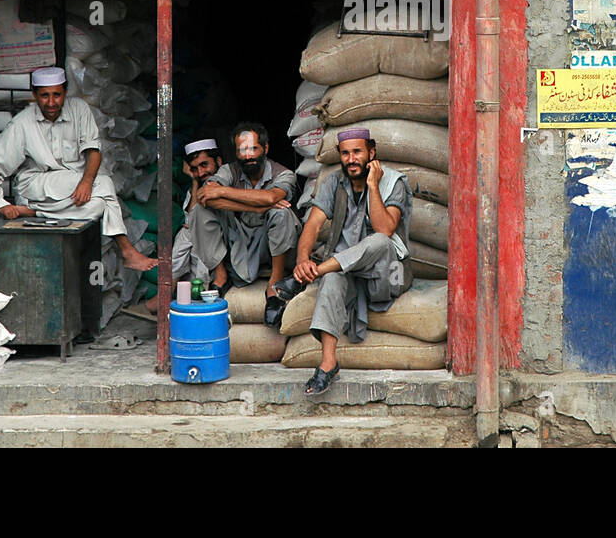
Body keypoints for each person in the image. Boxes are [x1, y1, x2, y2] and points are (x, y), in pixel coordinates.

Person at [273, 128, 413, 396]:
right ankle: (328, 364)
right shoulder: (334, 183)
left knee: (380, 240)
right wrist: (302, 260)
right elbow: (313, 225)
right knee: (332, 278)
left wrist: (373, 186)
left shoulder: (392, 182)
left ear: (371, 152)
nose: (351, 159)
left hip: (386, 276)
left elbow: (385, 229)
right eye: (346, 153)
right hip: (345, 273)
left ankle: (313, 274)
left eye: (357, 152)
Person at [0, 66, 155, 272]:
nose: (51, 102)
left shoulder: (79, 109)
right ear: (34, 95)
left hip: (73, 187)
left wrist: (86, 182)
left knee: (98, 206)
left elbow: (94, 151)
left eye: (57, 95)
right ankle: (127, 251)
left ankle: (35, 212)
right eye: (44, 96)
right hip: (35, 183)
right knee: (105, 183)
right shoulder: (22, 123)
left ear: (65, 93)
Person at [190, 122, 298, 325]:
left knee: (282, 214)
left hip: (269, 242)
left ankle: (274, 284)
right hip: (238, 239)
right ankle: (220, 276)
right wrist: (256, 207)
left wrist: (223, 191)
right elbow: (205, 197)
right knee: (199, 211)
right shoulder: (228, 170)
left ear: (265, 148)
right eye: (242, 150)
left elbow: (272, 197)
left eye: (253, 149)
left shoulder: (284, 174)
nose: (248, 156)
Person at [142, 138, 224, 316]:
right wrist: (194, 181)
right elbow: (192, 215)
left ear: (218, 161)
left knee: (191, 233)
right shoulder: (197, 186)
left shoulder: (226, 181)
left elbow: (197, 218)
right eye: (195, 169)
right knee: (189, 232)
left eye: (204, 165)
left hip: (225, 240)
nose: (201, 172)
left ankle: (166, 293)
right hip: (200, 241)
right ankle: (188, 292)